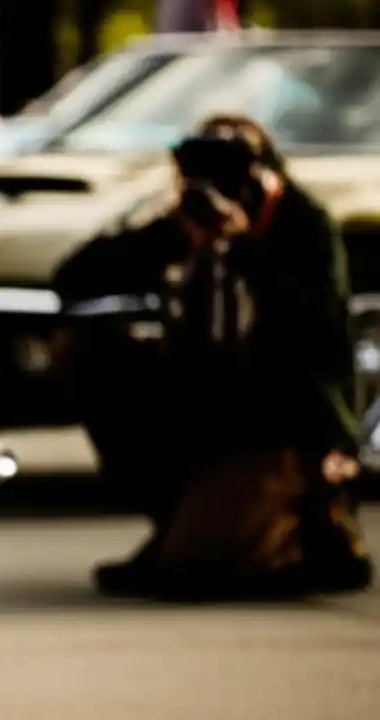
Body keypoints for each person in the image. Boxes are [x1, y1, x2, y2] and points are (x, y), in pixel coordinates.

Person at [53, 114, 373, 599]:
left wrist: (246, 248)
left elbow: (317, 339)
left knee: (193, 572)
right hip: (208, 408)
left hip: (278, 419)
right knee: (85, 348)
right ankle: (185, 524)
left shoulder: (301, 226)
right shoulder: (187, 223)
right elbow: (73, 277)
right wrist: (172, 236)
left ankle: (312, 526)